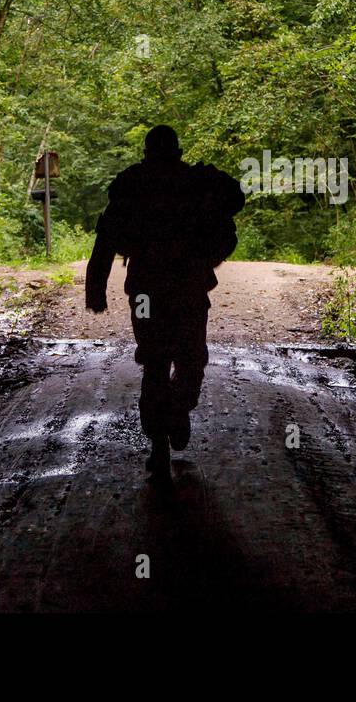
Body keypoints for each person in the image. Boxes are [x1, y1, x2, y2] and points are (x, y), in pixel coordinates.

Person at [84, 126, 245, 479]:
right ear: (178, 150)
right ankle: (176, 412)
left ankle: (159, 440)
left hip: (146, 293)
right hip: (188, 289)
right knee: (190, 359)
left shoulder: (133, 185)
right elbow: (232, 207)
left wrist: (95, 289)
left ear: (146, 153)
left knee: (155, 362)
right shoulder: (195, 182)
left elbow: (106, 238)